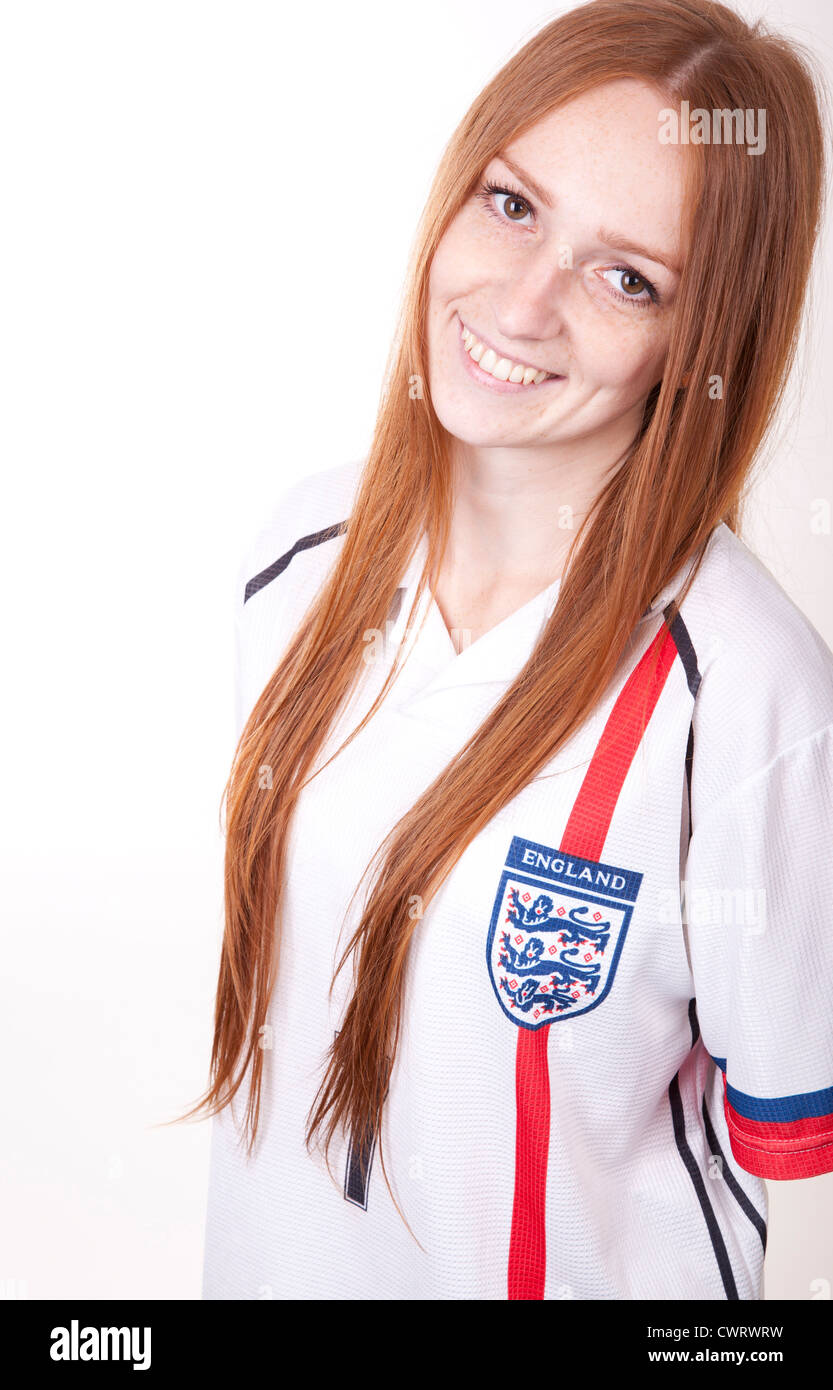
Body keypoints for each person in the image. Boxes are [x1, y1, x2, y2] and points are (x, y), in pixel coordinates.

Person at [190, 0, 833, 1299]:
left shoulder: (751, 697)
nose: (522, 303)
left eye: (626, 276)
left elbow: (779, 1141)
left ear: (694, 343)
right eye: (511, 204)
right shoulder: (294, 554)